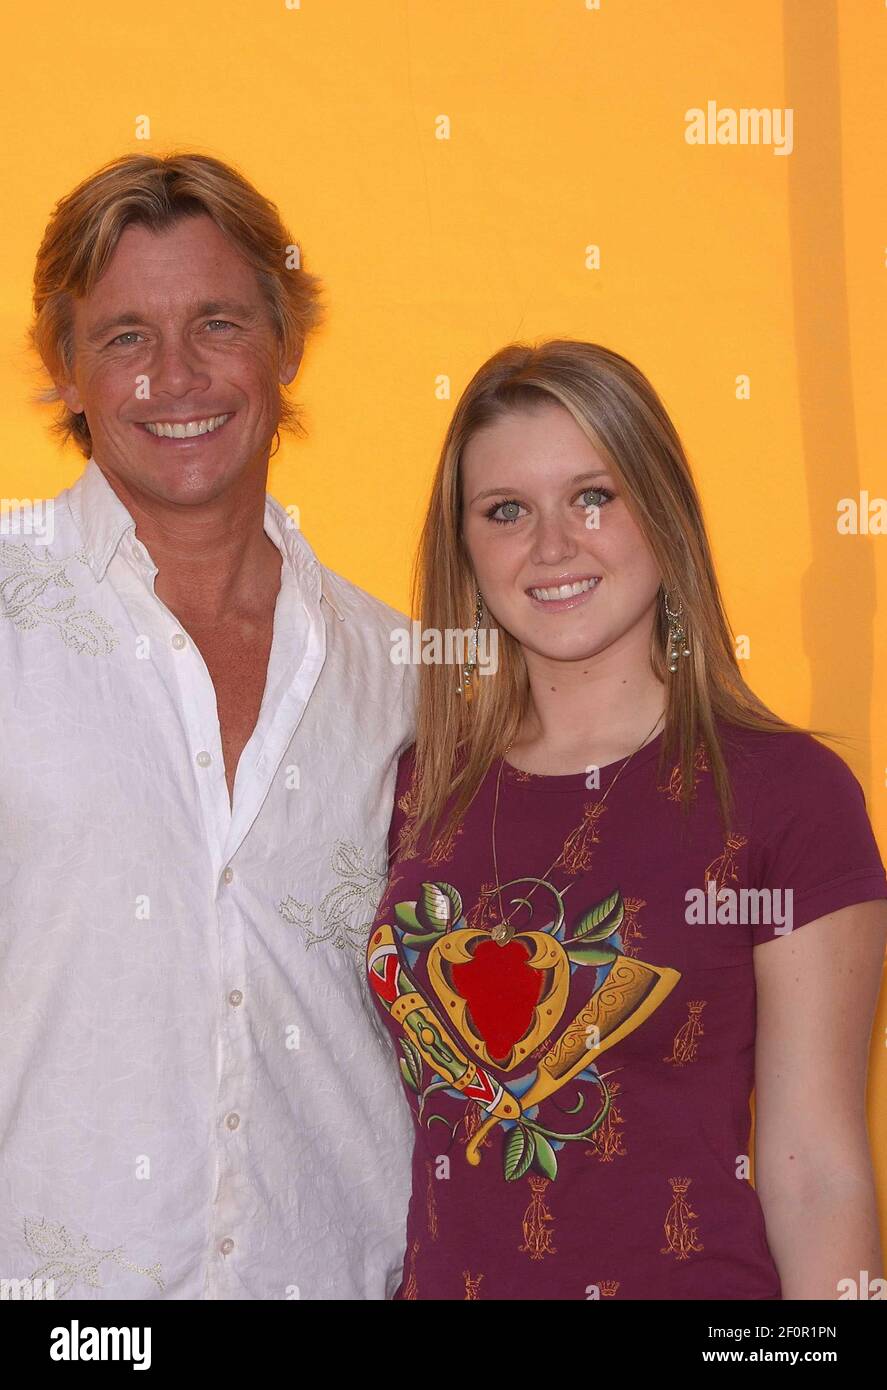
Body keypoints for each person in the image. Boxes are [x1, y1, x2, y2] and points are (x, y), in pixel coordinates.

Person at [365, 339, 887, 1300]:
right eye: (506, 511)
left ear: (663, 510)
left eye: (592, 496)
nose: (552, 546)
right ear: (465, 549)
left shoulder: (785, 793)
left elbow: (817, 1169)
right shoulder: (415, 786)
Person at [0, 152, 415, 1299]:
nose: (174, 376)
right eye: (126, 335)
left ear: (285, 345)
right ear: (63, 367)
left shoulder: (406, 675)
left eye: (218, 323)